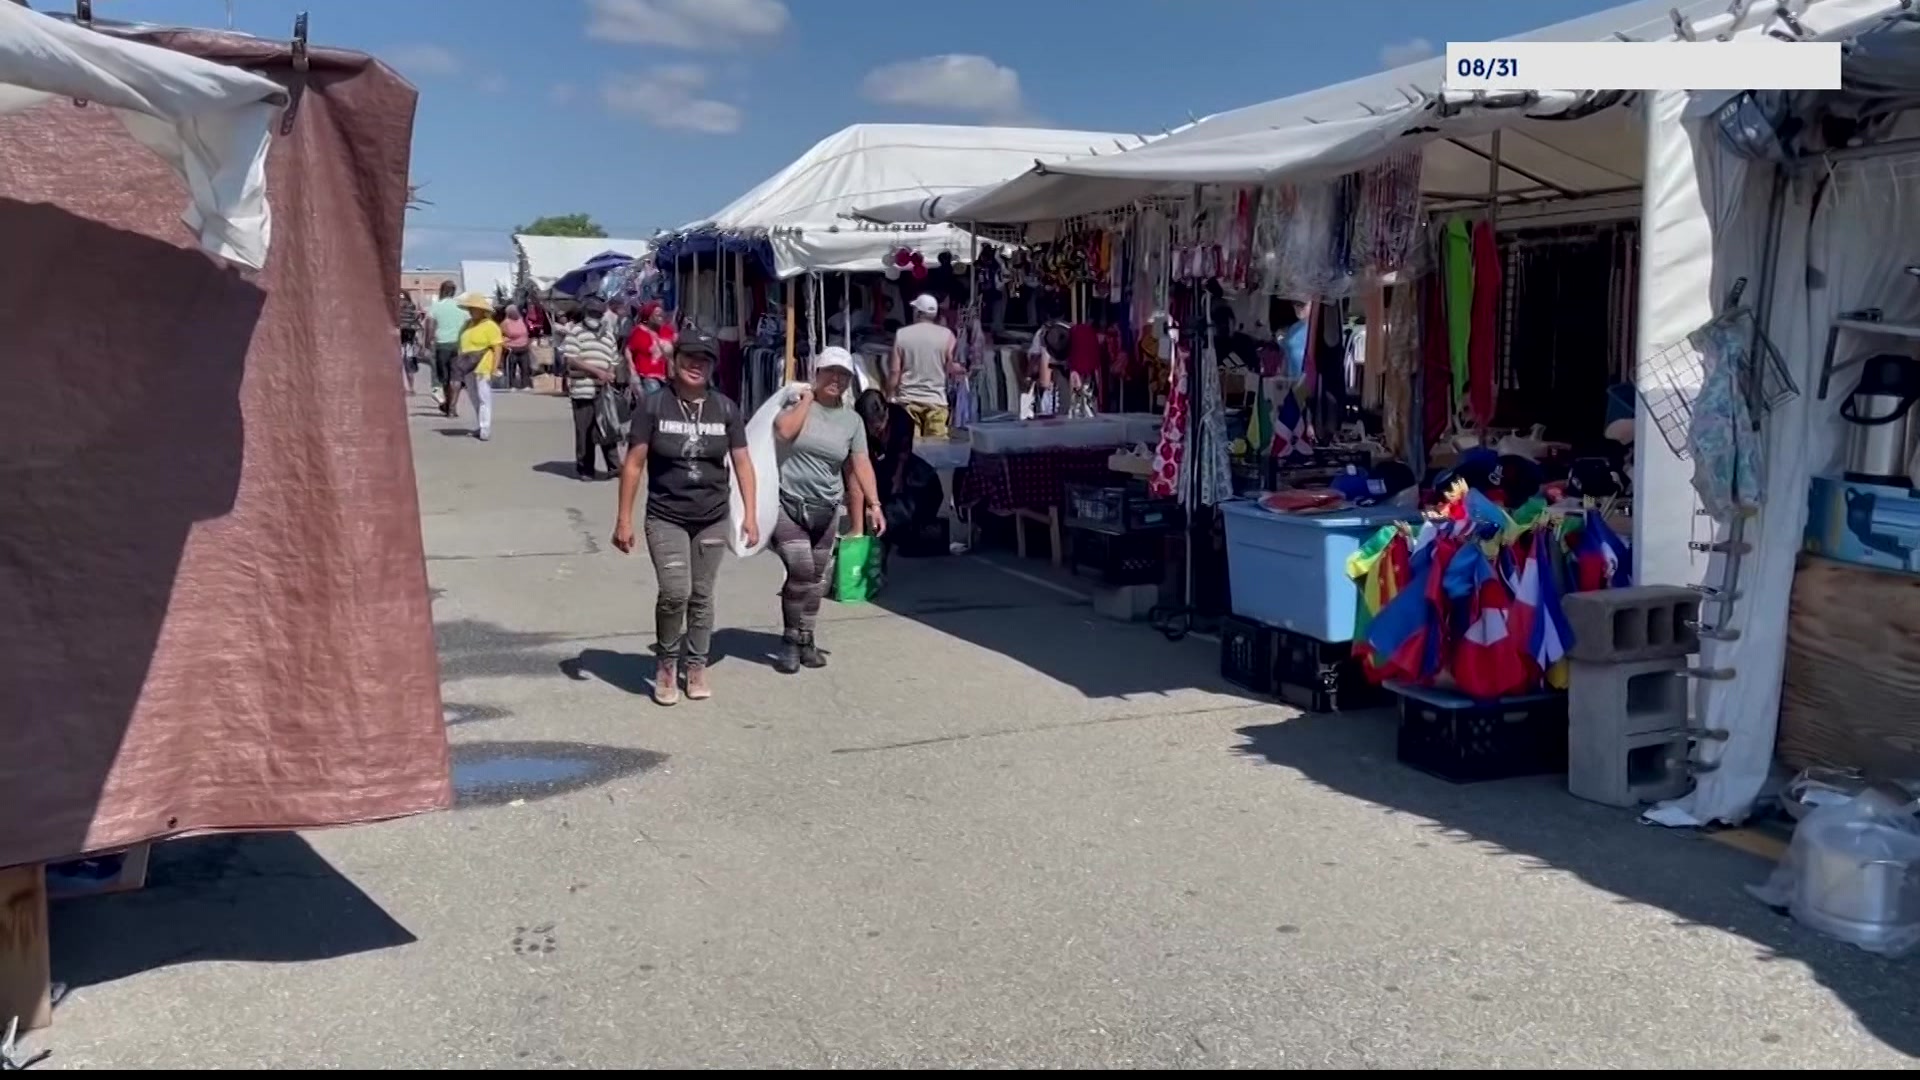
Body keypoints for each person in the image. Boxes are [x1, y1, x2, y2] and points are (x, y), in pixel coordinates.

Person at [611, 333, 758, 706]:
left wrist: (751, 515)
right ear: (674, 361)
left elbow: (742, 462)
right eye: (690, 357)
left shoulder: (725, 408)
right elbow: (633, 464)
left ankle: (696, 665)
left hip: (711, 516)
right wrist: (623, 520)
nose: (697, 365)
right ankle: (665, 663)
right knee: (676, 592)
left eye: (705, 360)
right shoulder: (653, 406)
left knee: (702, 594)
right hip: (666, 515)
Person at [770, 347, 883, 675]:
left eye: (843, 375)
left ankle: (807, 637)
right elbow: (783, 432)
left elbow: (860, 463)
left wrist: (875, 504)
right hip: (788, 502)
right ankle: (790, 640)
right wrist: (806, 400)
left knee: (817, 578)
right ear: (816, 373)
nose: (836, 379)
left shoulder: (852, 420)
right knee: (802, 570)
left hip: (826, 508)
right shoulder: (795, 403)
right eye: (830, 372)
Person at [855, 388, 944, 554]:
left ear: (886, 414)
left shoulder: (901, 419)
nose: (876, 432)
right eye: (871, 428)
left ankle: (913, 531)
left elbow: (903, 455)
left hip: (900, 463)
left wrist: (897, 480)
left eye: (878, 427)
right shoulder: (857, 425)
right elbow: (860, 461)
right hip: (872, 465)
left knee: (927, 484)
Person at [561, 298, 624, 480]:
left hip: (603, 391)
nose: (595, 317)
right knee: (585, 432)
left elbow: (613, 359)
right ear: (586, 313)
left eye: (598, 314)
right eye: (592, 313)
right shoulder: (576, 332)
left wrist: (610, 373)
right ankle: (585, 469)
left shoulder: (608, 335)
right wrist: (597, 371)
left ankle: (614, 466)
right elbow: (571, 358)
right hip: (583, 389)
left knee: (608, 428)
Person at [888, 293, 957, 439]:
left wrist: (890, 395)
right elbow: (952, 367)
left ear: (918, 312)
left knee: (911, 449)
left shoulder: (901, 334)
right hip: (937, 401)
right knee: (937, 451)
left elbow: (895, 371)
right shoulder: (948, 335)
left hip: (908, 401)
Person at [448, 293, 502, 440]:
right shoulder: (467, 325)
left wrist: (494, 367)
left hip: (483, 364)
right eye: (470, 309)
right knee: (473, 397)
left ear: (482, 310)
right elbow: (460, 342)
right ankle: (480, 424)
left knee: (484, 397)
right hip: (467, 365)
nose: (472, 311)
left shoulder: (490, 326)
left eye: (475, 309)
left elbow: (497, 347)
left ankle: (485, 428)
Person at [425, 280, 465, 414]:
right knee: (456, 377)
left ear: (442, 291)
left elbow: (429, 327)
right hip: (459, 345)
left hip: (442, 345)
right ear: (453, 292)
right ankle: (452, 406)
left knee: (445, 378)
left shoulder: (436, 307)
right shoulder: (461, 307)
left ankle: (448, 404)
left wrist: (427, 343)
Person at [625, 300, 675, 396]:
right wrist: (632, 373)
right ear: (649, 316)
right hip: (648, 377)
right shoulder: (639, 332)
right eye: (657, 314)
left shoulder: (666, 331)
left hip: (667, 378)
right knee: (653, 401)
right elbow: (629, 351)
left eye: (662, 314)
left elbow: (677, 344)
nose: (661, 317)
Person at [500, 304, 533, 390]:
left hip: (523, 347)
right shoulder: (505, 323)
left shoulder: (522, 320)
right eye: (512, 312)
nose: (514, 313)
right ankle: (512, 385)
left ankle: (526, 385)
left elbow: (527, 333)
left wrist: (528, 343)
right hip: (511, 348)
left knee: (525, 367)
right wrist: (505, 344)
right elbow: (500, 335)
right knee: (511, 368)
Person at [398, 290, 422, 394]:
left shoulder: (395, 307)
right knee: (409, 363)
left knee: (400, 363)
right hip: (410, 339)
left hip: (400, 338)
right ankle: (410, 388)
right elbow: (417, 323)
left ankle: (405, 387)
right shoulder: (412, 307)